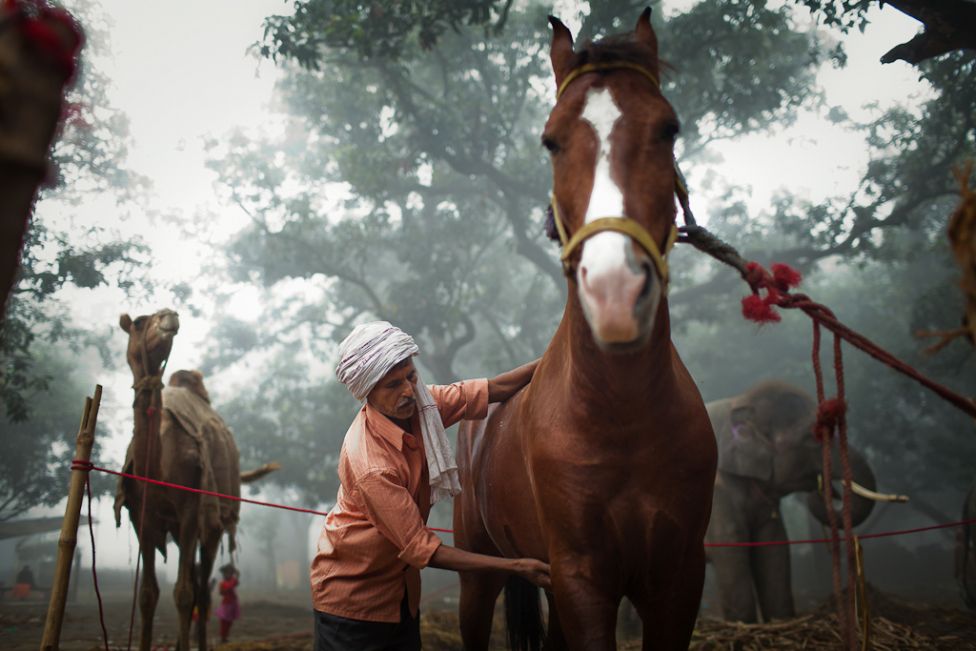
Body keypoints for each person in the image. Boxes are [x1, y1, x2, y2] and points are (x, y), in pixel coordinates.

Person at [311, 321, 549, 651]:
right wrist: (515, 566)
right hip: (352, 604)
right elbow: (424, 549)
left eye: (411, 376)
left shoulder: (424, 406)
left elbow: (492, 389)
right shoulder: (372, 463)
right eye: (393, 384)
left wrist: (556, 357)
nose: (408, 390)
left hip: (402, 595)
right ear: (368, 392)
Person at [214, 563, 240, 643]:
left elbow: (236, 582)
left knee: (229, 622)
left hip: (233, 604)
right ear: (224, 574)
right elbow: (222, 592)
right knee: (224, 622)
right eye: (226, 573)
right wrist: (229, 587)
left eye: (230, 573)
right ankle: (223, 637)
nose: (228, 575)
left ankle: (225, 637)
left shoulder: (232, 581)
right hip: (226, 605)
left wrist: (237, 575)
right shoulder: (222, 583)